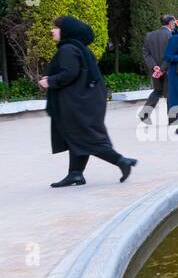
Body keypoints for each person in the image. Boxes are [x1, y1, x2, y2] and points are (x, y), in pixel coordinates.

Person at [42, 15, 137, 188]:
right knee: (78, 137)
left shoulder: (68, 49)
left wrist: (50, 81)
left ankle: (121, 161)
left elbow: (69, 74)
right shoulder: (79, 48)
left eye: (56, 28)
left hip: (77, 103)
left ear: (67, 31)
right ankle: (75, 174)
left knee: (86, 138)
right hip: (86, 100)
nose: (52, 31)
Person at [139, 14, 176, 123]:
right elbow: (171, 55)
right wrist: (162, 69)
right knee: (170, 93)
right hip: (168, 69)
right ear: (170, 23)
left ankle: (144, 114)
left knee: (157, 91)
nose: (174, 25)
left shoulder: (149, 35)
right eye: (174, 23)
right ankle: (172, 119)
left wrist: (154, 66)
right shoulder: (172, 36)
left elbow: (146, 53)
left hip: (155, 70)